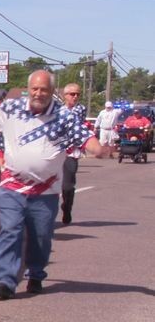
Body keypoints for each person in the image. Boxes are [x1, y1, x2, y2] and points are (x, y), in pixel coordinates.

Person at [0, 70, 109, 299]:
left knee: (40, 236)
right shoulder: (12, 108)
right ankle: (6, 281)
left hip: (45, 190)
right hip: (12, 186)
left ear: (52, 91)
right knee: (10, 229)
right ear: (29, 89)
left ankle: (36, 274)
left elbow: (85, 138)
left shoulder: (64, 116)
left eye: (44, 89)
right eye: (35, 89)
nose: (39, 93)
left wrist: (99, 149)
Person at [59, 83, 86, 225]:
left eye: (77, 94)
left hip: (71, 151)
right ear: (65, 95)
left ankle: (67, 207)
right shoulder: (57, 110)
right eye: (72, 94)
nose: (75, 97)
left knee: (67, 185)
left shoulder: (80, 109)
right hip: (56, 151)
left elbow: (79, 127)